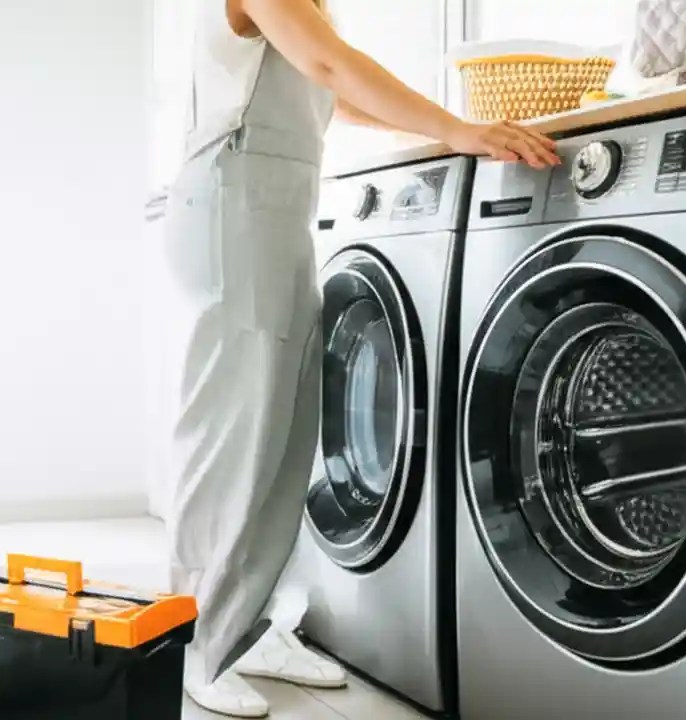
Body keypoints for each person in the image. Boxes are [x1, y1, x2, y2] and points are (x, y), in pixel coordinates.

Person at [163, 0, 560, 716]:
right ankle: (195, 642)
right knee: (235, 432)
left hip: (270, 208)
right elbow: (330, 63)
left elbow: (336, 93)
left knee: (286, 432)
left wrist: (447, 130)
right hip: (235, 205)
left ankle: (250, 629)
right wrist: (457, 129)